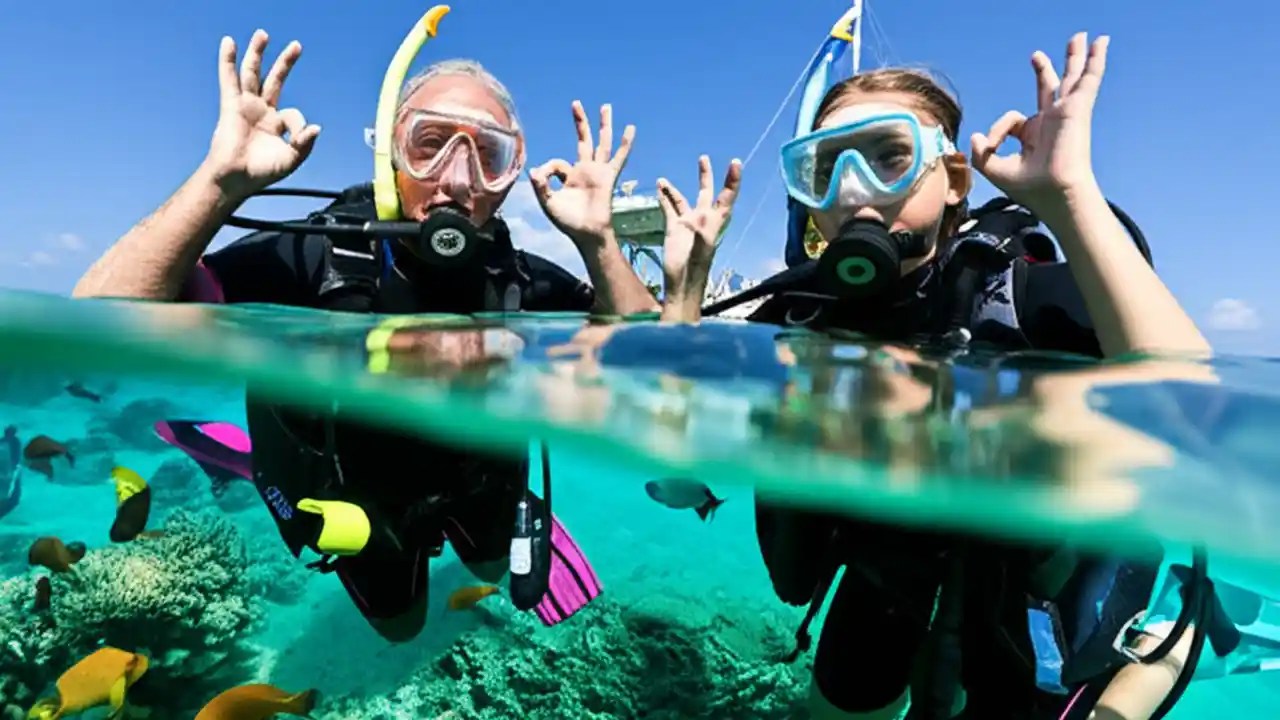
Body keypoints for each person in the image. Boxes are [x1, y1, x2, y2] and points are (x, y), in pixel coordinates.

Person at [658, 32, 1212, 720]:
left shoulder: (1018, 286)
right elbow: (676, 484)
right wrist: (685, 291)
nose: (855, 187)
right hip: (888, 575)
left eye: (890, 157)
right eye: (827, 165)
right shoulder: (799, 318)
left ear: (953, 180)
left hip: (1034, 584)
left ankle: (1170, 642)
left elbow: (1196, 415)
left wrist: (1071, 199)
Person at [73, 27, 655, 641]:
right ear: (390, 155)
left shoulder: (522, 280)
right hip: (358, 502)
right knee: (400, 627)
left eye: (489, 155)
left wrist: (599, 243)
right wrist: (218, 183)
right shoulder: (314, 256)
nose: (456, 178)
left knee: (488, 564)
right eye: (429, 144)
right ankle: (252, 463)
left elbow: (649, 358)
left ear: (510, 178)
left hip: (479, 478)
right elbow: (97, 321)